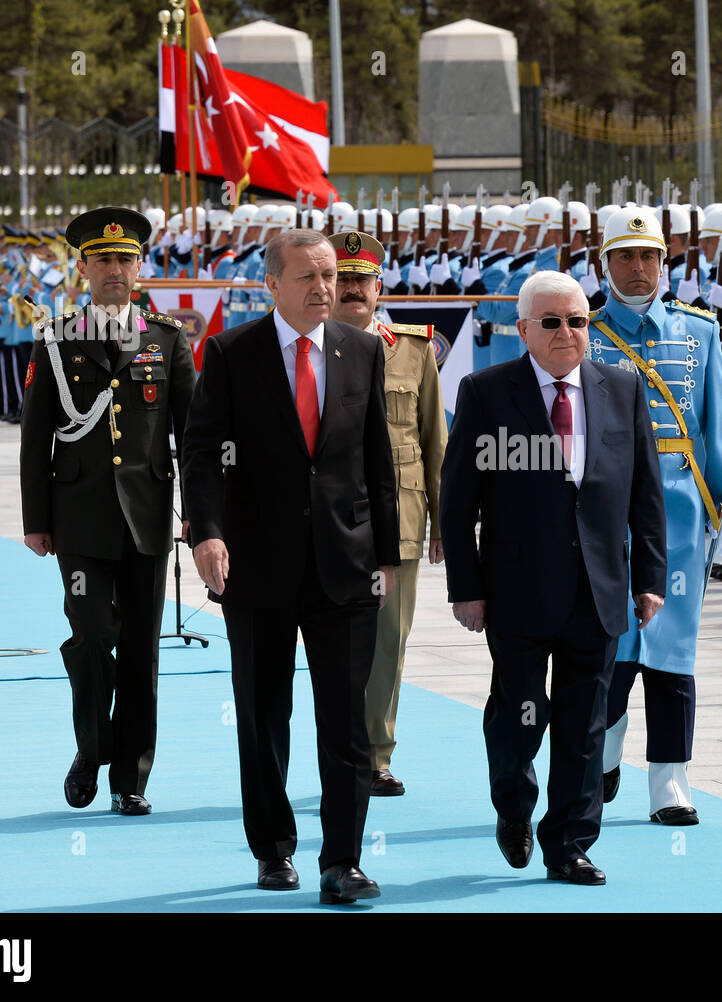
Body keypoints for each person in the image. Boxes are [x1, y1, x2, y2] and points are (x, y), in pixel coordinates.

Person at [181, 228, 399, 905]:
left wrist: (386, 555)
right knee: (263, 714)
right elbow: (202, 447)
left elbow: (378, 464)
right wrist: (206, 533)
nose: (323, 289)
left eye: (330, 276)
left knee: (346, 719)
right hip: (258, 563)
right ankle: (273, 849)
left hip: (345, 563)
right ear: (271, 284)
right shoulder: (229, 352)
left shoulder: (362, 349)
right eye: (307, 277)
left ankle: (344, 860)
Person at [440, 270, 667, 885]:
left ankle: (568, 842)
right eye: (552, 322)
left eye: (577, 321)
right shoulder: (487, 392)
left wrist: (649, 577)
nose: (567, 332)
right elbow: (458, 500)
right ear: (523, 331)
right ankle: (513, 804)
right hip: (515, 589)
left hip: (598, 589)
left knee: (584, 722)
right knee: (519, 713)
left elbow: (645, 492)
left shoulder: (622, 389)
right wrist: (467, 586)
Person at [18, 206, 195, 816]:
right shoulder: (57, 338)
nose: (114, 270)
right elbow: (35, 433)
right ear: (84, 267)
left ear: (139, 266)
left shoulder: (167, 338)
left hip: (145, 520)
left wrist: (198, 516)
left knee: (141, 652)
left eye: (125, 259)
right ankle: (91, 747)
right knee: (91, 637)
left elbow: (190, 437)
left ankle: (131, 778)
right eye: (103, 260)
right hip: (79, 519)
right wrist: (35, 519)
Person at [588, 206, 722, 826]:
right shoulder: (587, 332)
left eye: (649, 256)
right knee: (613, 640)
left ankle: (670, 779)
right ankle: (602, 748)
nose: (639, 267)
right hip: (606, 511)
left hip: (679, 510)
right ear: (605, 265)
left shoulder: (700, 331)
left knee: (674, 645)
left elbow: (717, 428)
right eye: (625, 256)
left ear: (665, 262)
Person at [329, 229, 447, 796]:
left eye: (362, 280)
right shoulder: (305, 348)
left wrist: (445, 523)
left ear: (380, 286)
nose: (353, 290)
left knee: (387, 641)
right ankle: (338, 749)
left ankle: (375, 754)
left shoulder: (414, 350)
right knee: (328, 641)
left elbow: (434, 441)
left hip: (397, 518)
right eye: (342, 278)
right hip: (323, 519)